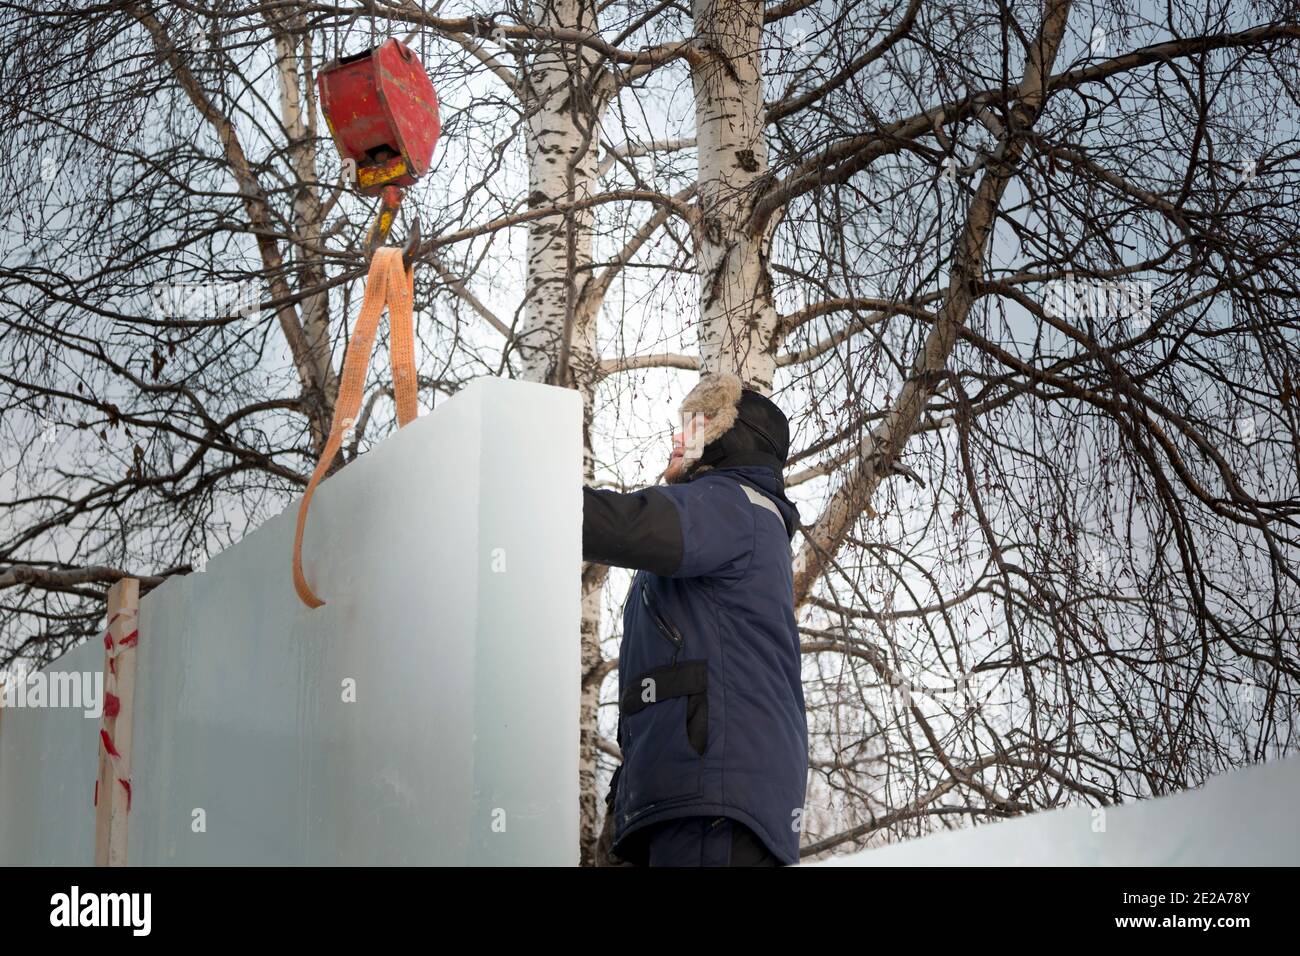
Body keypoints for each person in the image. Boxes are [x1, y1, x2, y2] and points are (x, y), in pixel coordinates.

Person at [582, 371, 808, 867]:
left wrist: (532, 499)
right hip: (690, 797)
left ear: (727, 437)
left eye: (693, 425)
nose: (676, 437)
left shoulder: (733, 506)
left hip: (712, 801)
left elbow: (630, 524)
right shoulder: (735, 515)